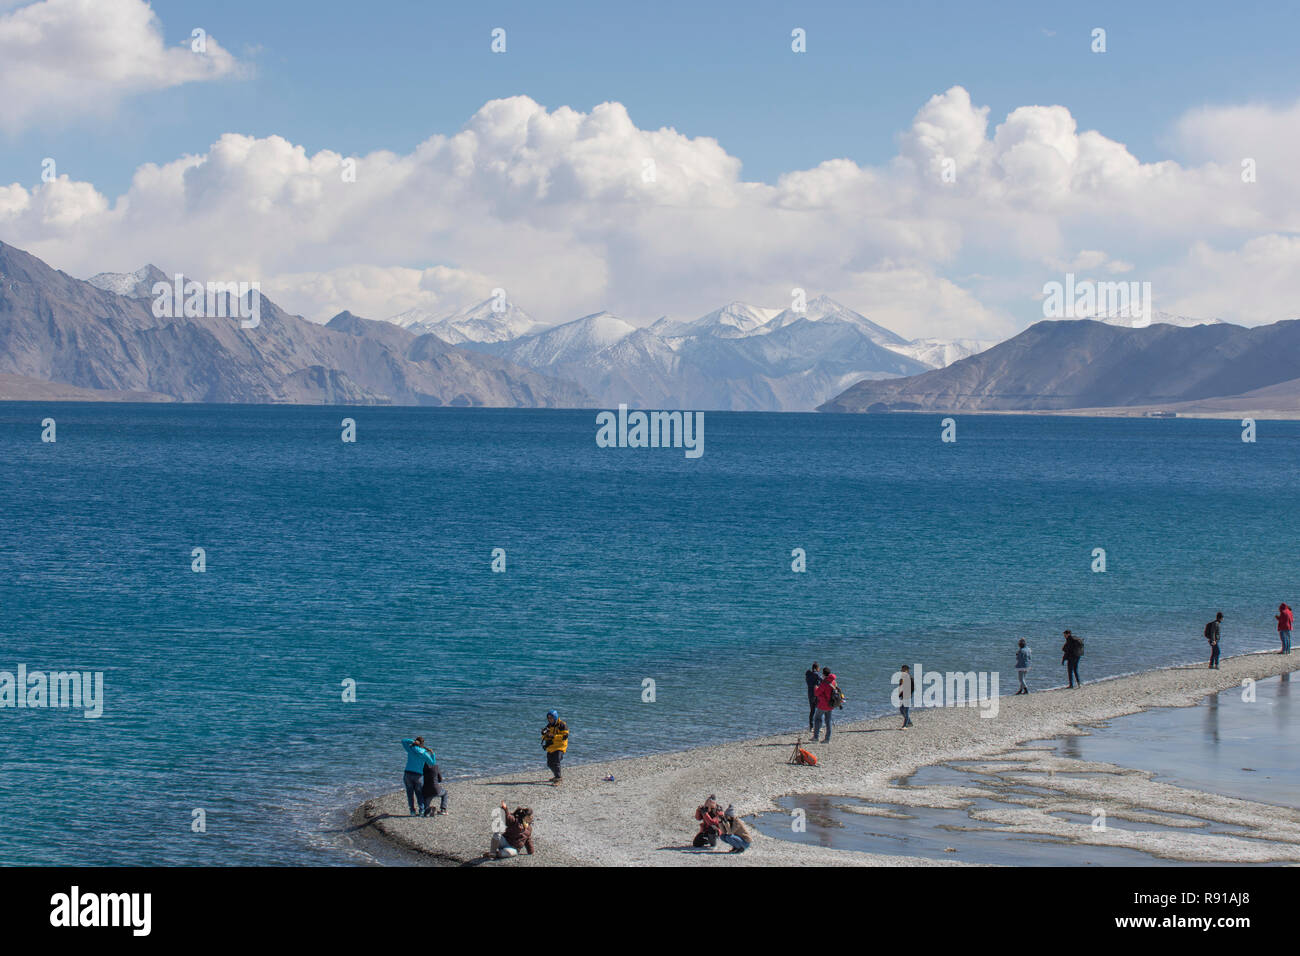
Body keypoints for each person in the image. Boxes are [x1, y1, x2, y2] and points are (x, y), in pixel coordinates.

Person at [400, 736, 437, 816]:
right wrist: (433, 754)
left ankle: (412, 811)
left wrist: (412, 741)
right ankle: (421, 810)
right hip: (418, 775)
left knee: (410, 794)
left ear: (416, 742)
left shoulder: (411, 749)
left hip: (408, 774)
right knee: (419, 794)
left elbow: (403, 741)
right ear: (422, 744)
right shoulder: (424, 753)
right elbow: (432, 763)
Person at [541, 710, 568, 786]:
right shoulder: (548, 726)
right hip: (551, 747)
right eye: (548, 718)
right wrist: (544, 735)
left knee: (556, 761)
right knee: (549, 764)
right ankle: (556, 776)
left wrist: (553, 736)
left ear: (555, 717)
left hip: (560, 747)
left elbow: (565, 736)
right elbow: (544, 737)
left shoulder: (562, 725)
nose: (550, 719)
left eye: (551, 718)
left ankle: (558, 778)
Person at [812, 667, 837, 742]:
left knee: (817, 719)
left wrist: (815, 688)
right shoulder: (834, 682)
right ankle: (827, 739)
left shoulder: (824, 683)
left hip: (823, 705)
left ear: (823, 674)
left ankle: (816, 737)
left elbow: (817, 693)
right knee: (828, 721)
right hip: (831, 704)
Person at [804, 662, 822, 732]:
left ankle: (811, 727)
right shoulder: (816, 674)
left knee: (812, 710)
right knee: (819, 710)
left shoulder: (808, 675)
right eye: (819, 668)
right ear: (817, 668)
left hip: (810, 694)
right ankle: (818, 726)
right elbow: (822, 681)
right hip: (816, 694)